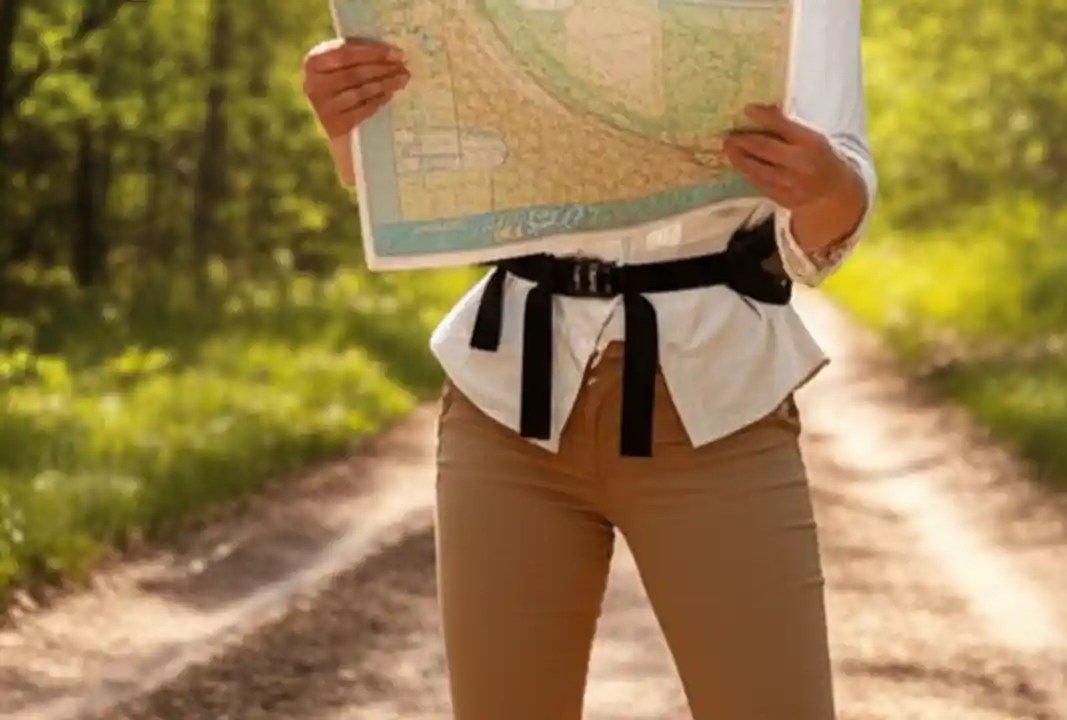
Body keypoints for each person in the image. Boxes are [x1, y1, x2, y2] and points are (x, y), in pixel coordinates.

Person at [302, 2, 875, 717]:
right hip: (508, 408)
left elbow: (831, 220)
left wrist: (824, 187)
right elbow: (404, 172)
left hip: (714, 409)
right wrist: (346, 118)